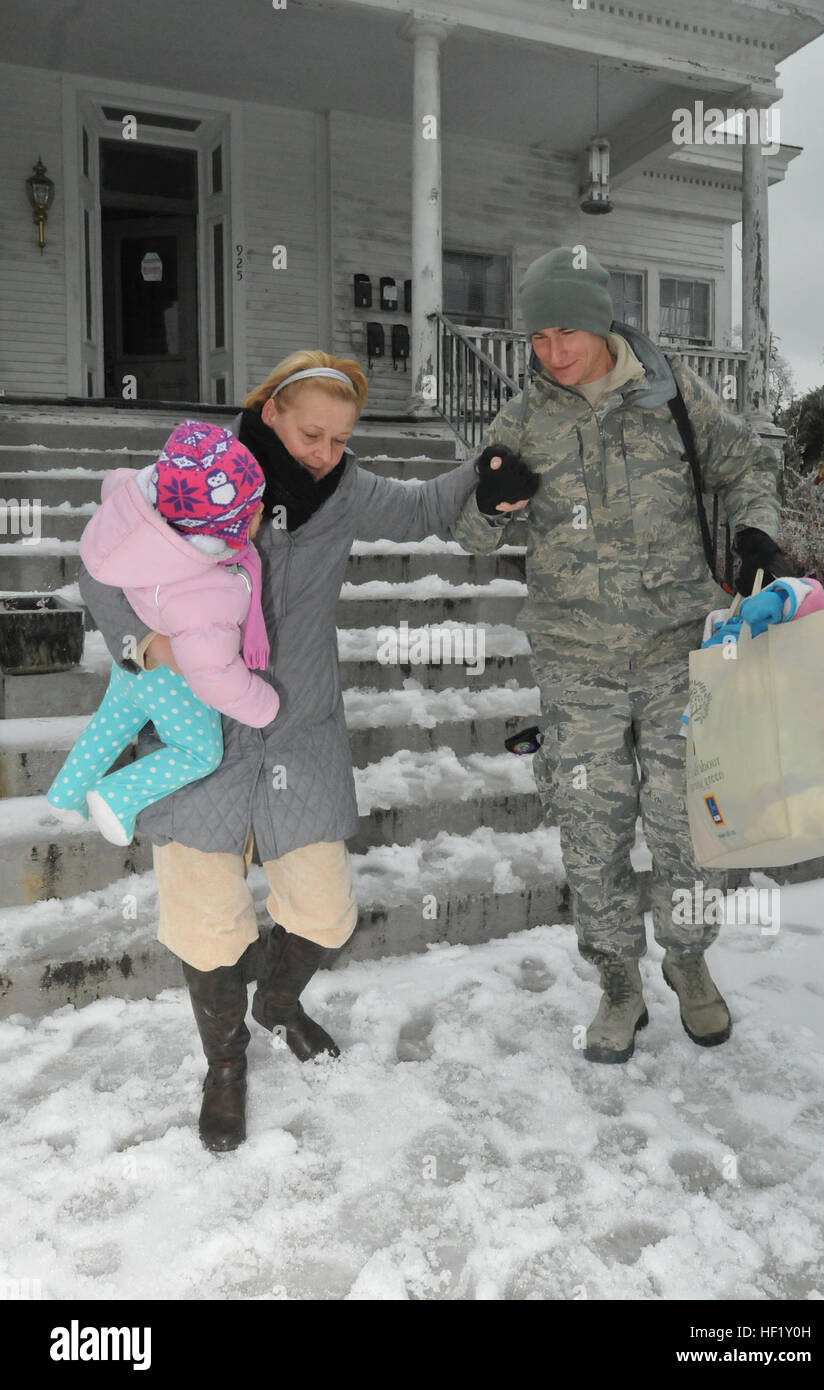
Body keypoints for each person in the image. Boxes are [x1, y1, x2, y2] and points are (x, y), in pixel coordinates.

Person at [77, 350, 529, 1152]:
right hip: (196, 727)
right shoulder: (200, 475)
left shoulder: (345, 489)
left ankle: (278, 1003)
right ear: (270, 413)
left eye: (339, 438)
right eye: (310, 434)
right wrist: (142, 645)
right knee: (207, 923)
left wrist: (483, 476)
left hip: (300, 726)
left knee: (324, 912)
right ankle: (225, 1065)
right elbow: (103, 567)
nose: (324, 453)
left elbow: (424, 508)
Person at [450, 246, 793, 1064]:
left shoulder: (672, 394)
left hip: (679, 651)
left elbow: (748, 465)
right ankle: (616, 981)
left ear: (600, 322)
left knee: (692, 825)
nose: (552, 351)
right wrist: (491, 504)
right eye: (538, 338)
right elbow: (470, 534)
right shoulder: (523, 418)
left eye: (565, 332)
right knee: (591, 830)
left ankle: (687, 959)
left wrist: (757, 532)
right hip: (575, 663)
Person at [46, 421, 276, 846]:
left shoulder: (151, 532)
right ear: (224, 529)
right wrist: (262, 705)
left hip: (134, 662)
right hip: (173, 678)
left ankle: (67, 792)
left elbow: (121, 486)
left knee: (112, 722)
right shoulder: (210, 589)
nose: (263, 511)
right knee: (199, 753)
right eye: (254, 510)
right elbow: (211, 672)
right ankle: (118, 796)